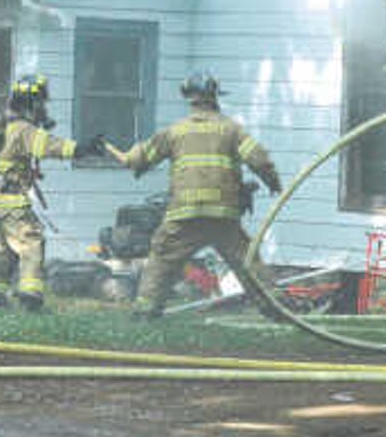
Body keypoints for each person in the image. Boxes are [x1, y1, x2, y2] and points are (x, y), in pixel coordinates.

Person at [104, 69, 284, 320]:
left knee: (162, 258)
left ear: (189, 98)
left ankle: (146, 309)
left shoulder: (175, 132)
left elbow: (138, 159)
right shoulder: (231, 130)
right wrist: (273, 182)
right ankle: (276, 307)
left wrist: (118, 153)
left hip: (184, 214)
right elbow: (260, 159)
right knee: (247, 260)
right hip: (223, 215)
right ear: (215, 98)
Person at [0, 73, 104, 312]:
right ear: (34, 103)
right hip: (8, 200)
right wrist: (83, 149)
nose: (44, 108)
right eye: (42, 103)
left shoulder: (5, 125)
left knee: (7, 248)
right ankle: (31, 297)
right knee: (31, 241)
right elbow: (50, 145)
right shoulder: (22, 129)